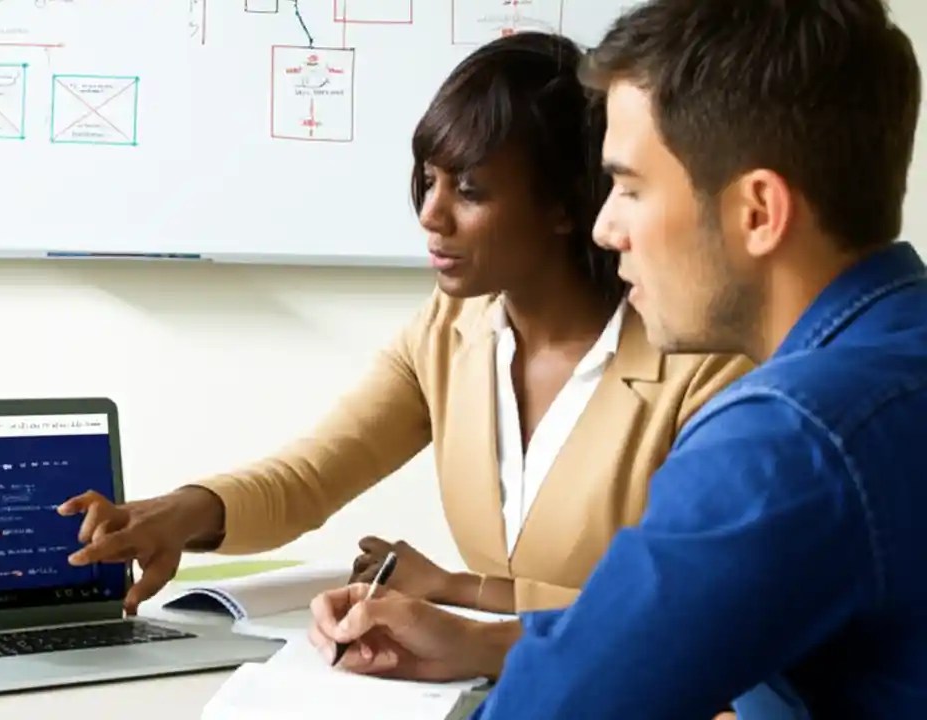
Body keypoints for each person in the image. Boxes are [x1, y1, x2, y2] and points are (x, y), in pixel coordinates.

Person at [309, 0, 927, 716]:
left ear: (757, 212)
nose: (605, 228)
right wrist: (484, 643)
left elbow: (563, 707)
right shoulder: (897, 356)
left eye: (629, 189)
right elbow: (676, 639)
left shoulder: (788, 438)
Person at [59, 31, 751, 618]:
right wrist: (182, 513)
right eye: (430, 179)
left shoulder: (701, 367)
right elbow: (310, 477)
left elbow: (692, 612)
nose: (431, 213)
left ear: (567, 205)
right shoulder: (450, 330)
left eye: (471, 190)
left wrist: (462, 591)